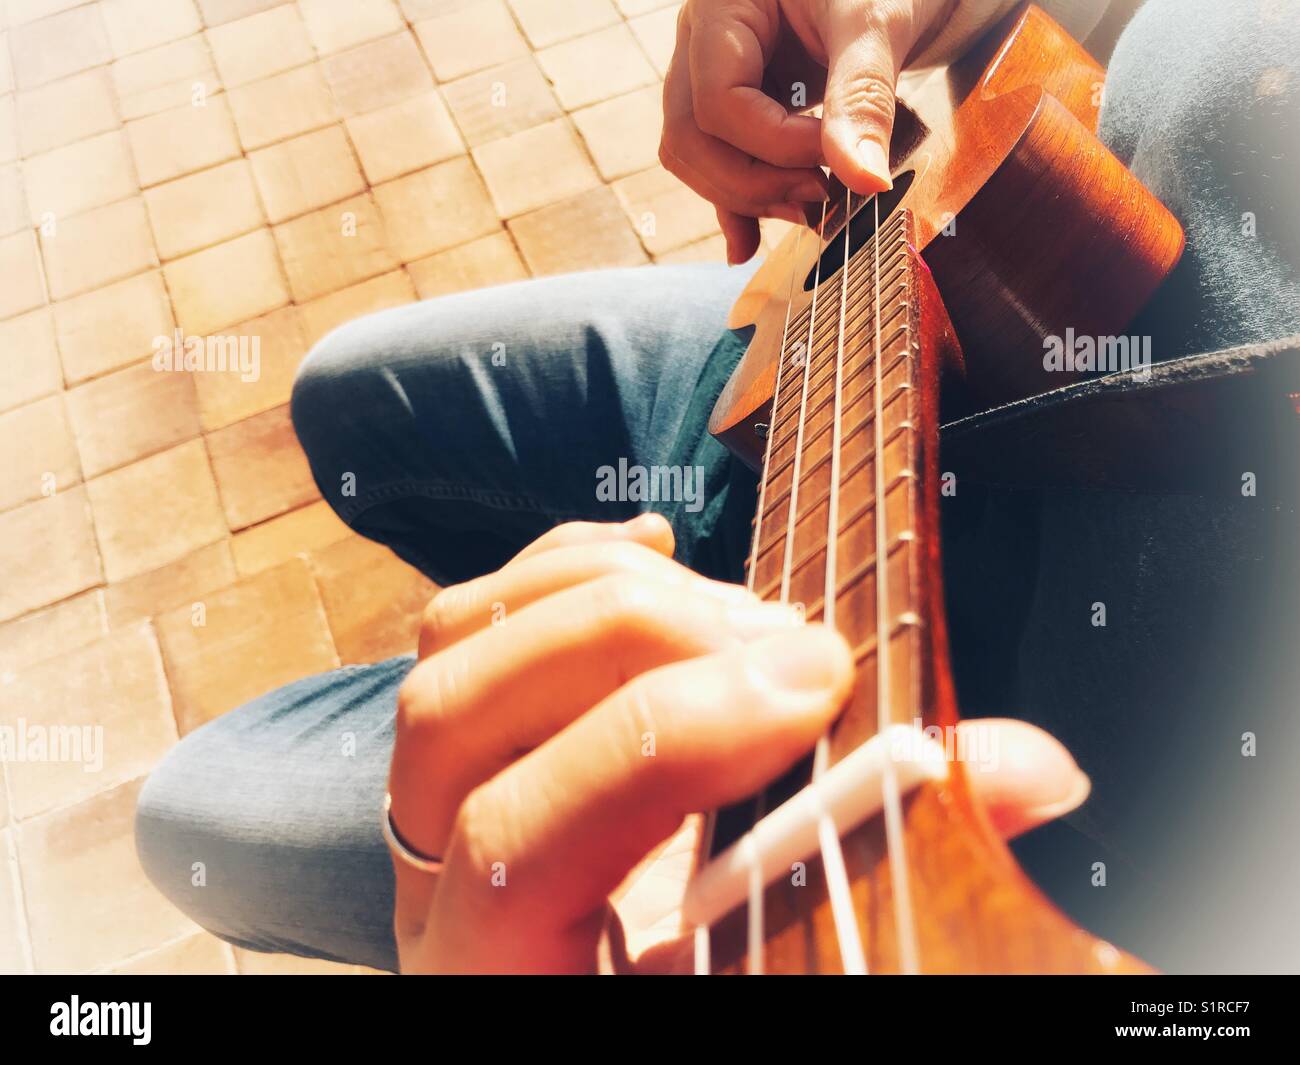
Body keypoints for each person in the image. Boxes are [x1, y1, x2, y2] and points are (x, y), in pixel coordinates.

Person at [135, 0, 1300, 973]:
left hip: (885, 758)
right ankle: (576, 603)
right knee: (342, 395)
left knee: (191, 811)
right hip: (871, 332)